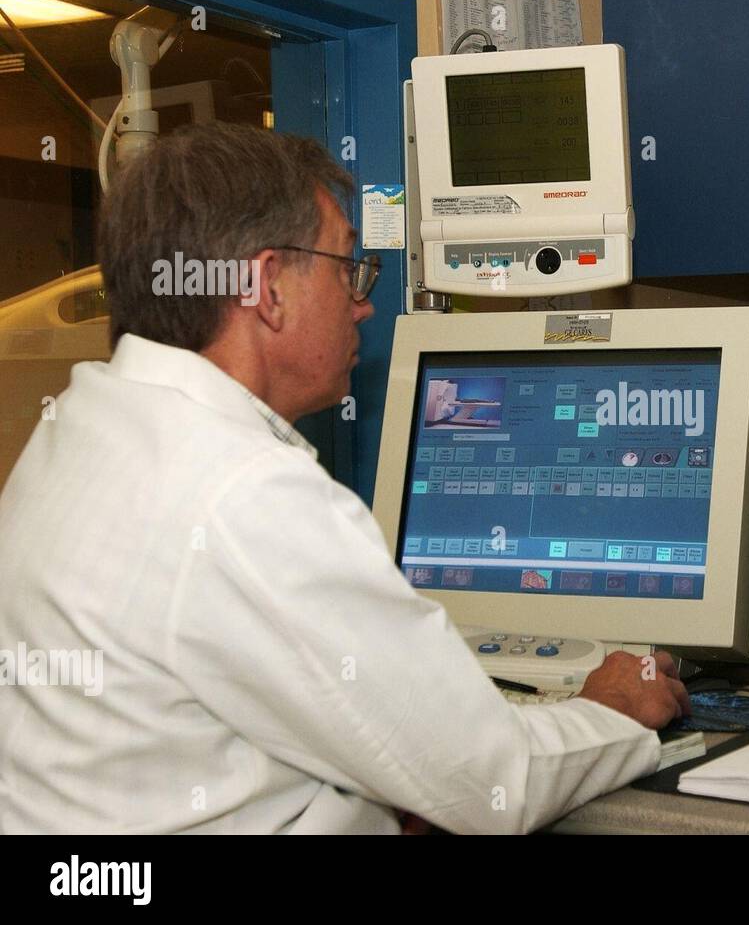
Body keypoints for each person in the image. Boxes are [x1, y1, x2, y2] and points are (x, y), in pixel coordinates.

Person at [0, 122, 688, 834]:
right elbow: (492, 781)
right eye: (345, 268)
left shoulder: (77, 428)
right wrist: (611, 709)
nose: (363, 303)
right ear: (268, 288)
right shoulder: (245, 491)